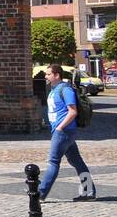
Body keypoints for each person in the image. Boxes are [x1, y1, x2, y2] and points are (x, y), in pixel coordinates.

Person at [39, 63, 95, 201]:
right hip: (62, 131)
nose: (45, 76)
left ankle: (40, 193)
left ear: (56, 75)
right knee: (77, 161)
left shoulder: (65, 90)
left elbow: (73, 112)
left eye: (48, 74)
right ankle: (89, 192)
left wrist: (59, 127)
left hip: (64, 131)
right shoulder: (53, 90)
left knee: (53, 161)